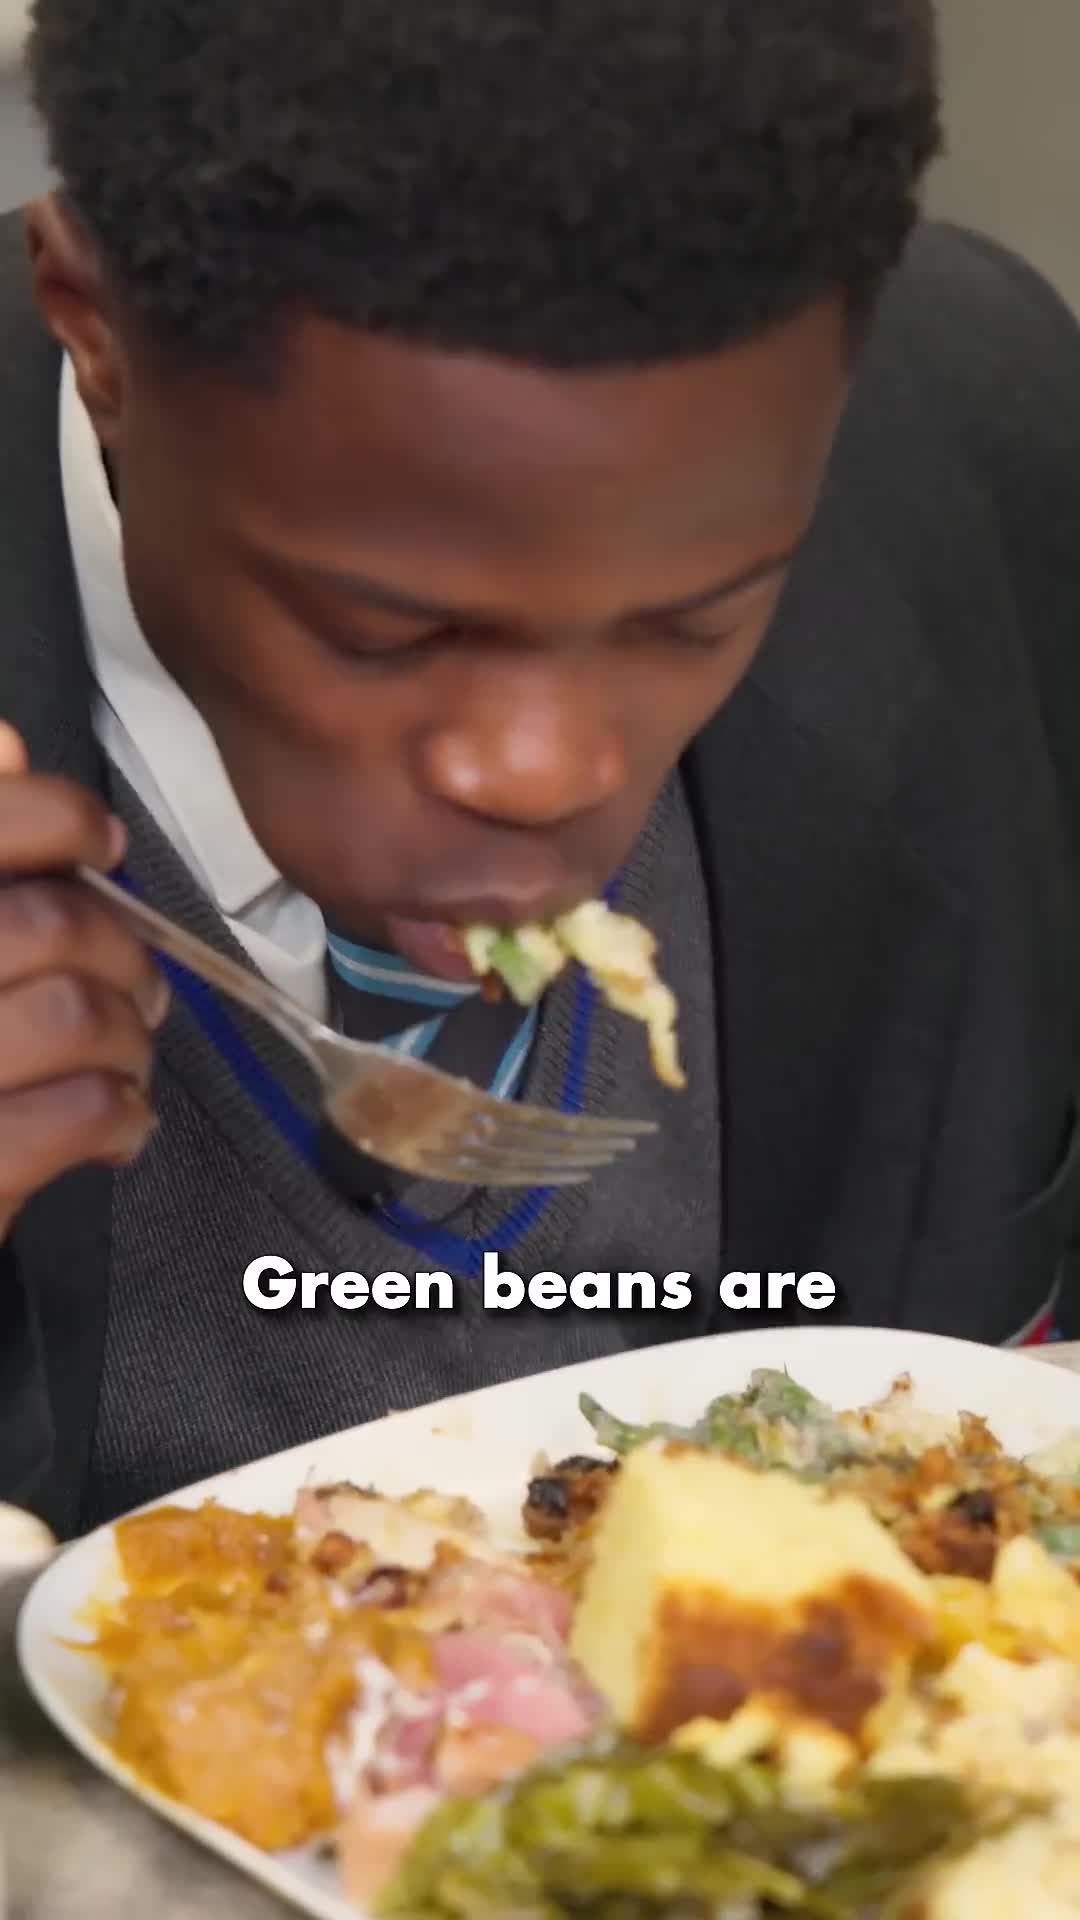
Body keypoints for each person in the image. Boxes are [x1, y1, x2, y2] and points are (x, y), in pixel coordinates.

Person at [2, 0, 1079, 1540]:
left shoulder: (987, 443)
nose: (542, 773)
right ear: (93, 328)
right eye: (382, 628)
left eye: (696, 617)